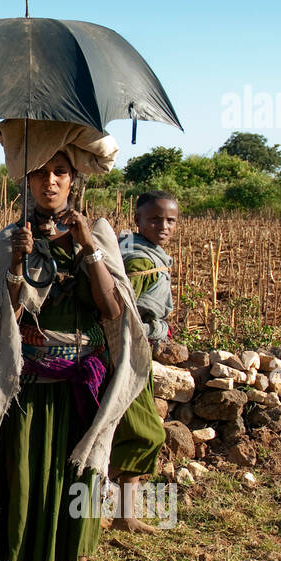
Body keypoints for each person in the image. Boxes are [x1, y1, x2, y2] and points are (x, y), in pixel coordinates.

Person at [0, 121, 150, 561]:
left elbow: (111, 310)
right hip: (32, 387)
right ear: (26, 182)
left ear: (74, 179)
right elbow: (5, 320)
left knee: (82, 482)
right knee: (24, 483)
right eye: (39, 173)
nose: (50, 182)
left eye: (60, 171)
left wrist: (89, 249)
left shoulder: (99, 232)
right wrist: (17, 264)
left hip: (85, 386)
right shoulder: (10, 238)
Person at [107, 191, 179, 533]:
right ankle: (84, 501)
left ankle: (124, 516)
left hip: (138, 356)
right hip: (123, 356)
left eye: (170, 220)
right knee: (146, 434)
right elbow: (119, 312)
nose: (163, 226)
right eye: (154, 219)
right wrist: (156, 327)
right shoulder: (138, 261)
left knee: (133, 434)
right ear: (138, 221)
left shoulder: (150, 255)